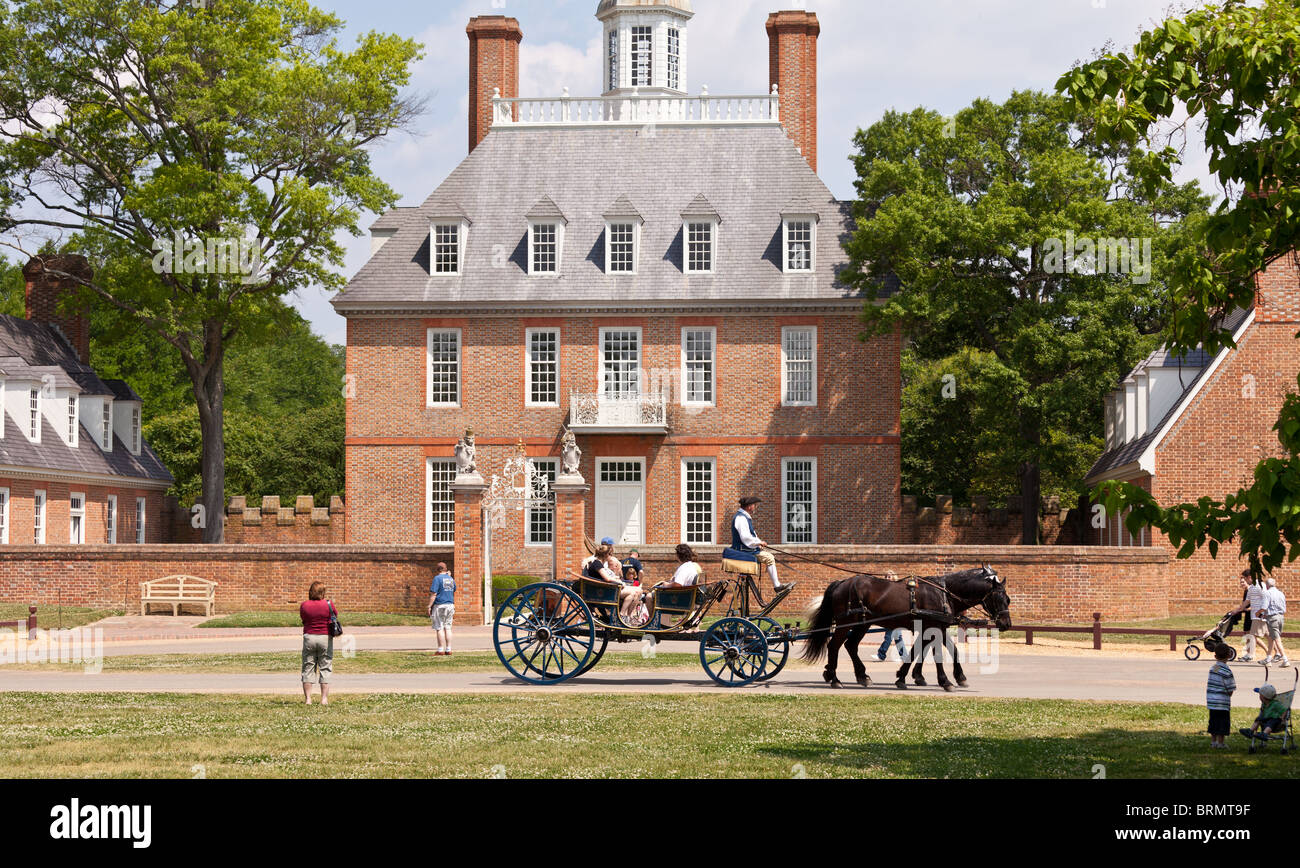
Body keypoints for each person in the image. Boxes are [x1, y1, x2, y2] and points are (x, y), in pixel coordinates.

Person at [725, 497, 794, 597]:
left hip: (746, 549)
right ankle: (777, 586)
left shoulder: (743, 517)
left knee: (769, 557)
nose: (755, 507)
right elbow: (745, 537)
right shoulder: (741, 518)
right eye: (754, 505)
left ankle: (777, 585)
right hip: (743, 552)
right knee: (770, 558)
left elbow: (751, 535)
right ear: (749, 506)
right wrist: (757, 543)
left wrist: (758, 542)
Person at [299, 581, 335, 706]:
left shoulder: (304, 605)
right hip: (325, 637)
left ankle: (308, 699)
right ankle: (324, 699)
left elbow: (303, 619)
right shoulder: (328, 604)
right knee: (325, 666)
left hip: (309, 637)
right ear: (322, 592)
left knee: (308, 667)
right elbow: (334, 616)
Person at [1234, 570, 1270, 662]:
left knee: (1252, 635)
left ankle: (1250, 655)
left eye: (1245, 578)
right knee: (1269, 636)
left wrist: (1261, 611)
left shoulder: (1260, 585)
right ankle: (1277, 654)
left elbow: (1266, 598)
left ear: (1249, 577)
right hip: (1255, 615)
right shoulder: (1251, 588)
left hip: (1259, 615)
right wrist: (1237, 610)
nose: (1245, 580)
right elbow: (1246, 602)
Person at [1206, 643, 1236, 749]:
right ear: (1229, 655)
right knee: (1223, 723)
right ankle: (1221, 743)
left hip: (1212, 702)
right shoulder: (1227, 671)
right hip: (1222, 703)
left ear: (1215, 656)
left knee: (1213, 722)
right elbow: (1230, 688)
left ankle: (1213, 742)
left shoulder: (1213, 668)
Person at [428, 562, 456, 656]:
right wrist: (449, 576)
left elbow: (434, 594)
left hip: (440, 605)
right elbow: (454, 589)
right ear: (446, 569)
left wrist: (429, 606)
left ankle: (440, 649)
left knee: (439, 627)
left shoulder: (437, 578)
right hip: (450, 605)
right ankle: (448, 649)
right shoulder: (451, 579)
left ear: (438, 569)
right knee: (448, 627)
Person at [1264, 578, 1289, 667]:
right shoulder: (1281, 593)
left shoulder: (1267, 593)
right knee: (1272, 638)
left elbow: (1265, 606)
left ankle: (1285, 659)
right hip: (1281, 617)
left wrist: (1260, 613)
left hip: (1272, 618)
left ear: (1266, 586)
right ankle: (1268, 659)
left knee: (1277, 639)